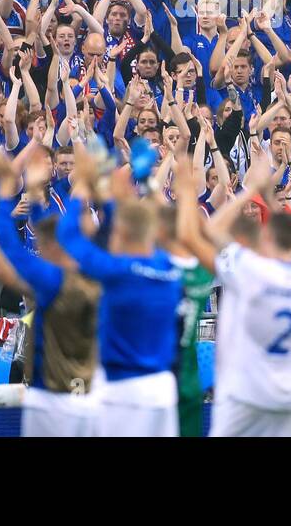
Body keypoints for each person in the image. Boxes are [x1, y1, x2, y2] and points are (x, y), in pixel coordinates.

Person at [174, 158, 291, 437]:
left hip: (246, 394)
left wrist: (246, 191)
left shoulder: (251, 270)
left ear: (266, 237)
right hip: (288, 396)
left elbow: (203, 233)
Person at [0, 143, 101, 437]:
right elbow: (69, 213)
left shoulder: (50, 281)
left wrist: (1, 199)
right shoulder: (95, 271)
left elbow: (5, 259)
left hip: (52, 400)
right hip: (88, 394)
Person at [56, 145, 184, 438]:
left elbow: (67, 235)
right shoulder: (171, 268)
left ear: (121, 234)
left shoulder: (115, 271)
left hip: (121, 391)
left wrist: (82, 184)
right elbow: (161, 224)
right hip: (162, 390)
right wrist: (146, 182)